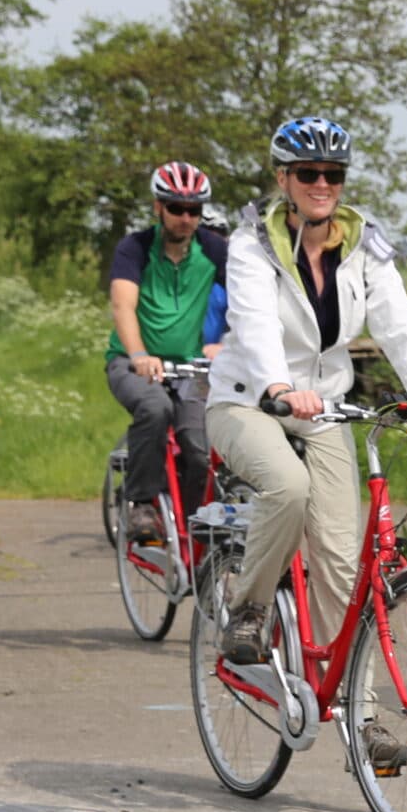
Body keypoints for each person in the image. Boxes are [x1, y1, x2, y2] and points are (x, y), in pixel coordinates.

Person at [205, 118, 407, 772]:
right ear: (283, 180)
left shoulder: (364, 246)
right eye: (307, 174)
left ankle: (362, 721)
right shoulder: (251, 244)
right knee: (287, 488)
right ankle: (247, 610)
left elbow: (399, 323)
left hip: (323, 407)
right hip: (247, 398)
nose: (321, 184)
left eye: (333, 174)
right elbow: (254, 319)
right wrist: (276, 383)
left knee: (338, 561)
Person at [105, 162, 229, 544]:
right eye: (176, 208)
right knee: (155, 408)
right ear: (159, 207)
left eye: (194, 211)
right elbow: (123, 306)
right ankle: (141, 502)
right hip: (131, 363)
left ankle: (194, 527)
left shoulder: (213, 249)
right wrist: (140, 353)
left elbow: (249, 301)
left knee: (199, 444)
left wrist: (228, 340)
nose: (186, 218)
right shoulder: (136, 248)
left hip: (190, 365)